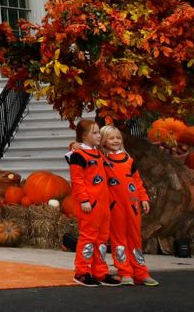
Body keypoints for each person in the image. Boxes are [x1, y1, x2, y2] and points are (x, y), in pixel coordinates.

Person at [101, 125, 159, 287]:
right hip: (115, 205)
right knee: (119, 239)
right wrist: (74, 145)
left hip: (133, 205)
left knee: (135, 239)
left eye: (118, 138)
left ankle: (141, 272)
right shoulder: (103, 160)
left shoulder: (128, 159)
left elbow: (137, 181)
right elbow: (82, 153)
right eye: (111, 138)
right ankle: (124, 272)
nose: (115, 141)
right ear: (103, 141)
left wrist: (144, 198)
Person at [66, 118, 118, 286]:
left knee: (102, 239)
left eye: (98, 132)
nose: (98, 135)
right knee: (88, 238)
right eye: (94, 133)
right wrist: (83, 199)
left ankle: (100, 271)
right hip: (89, 205)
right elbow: (77, 180)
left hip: (104, 205)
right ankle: (82, 272)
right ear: (83, 135)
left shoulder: (99, 153)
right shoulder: (78, 155)